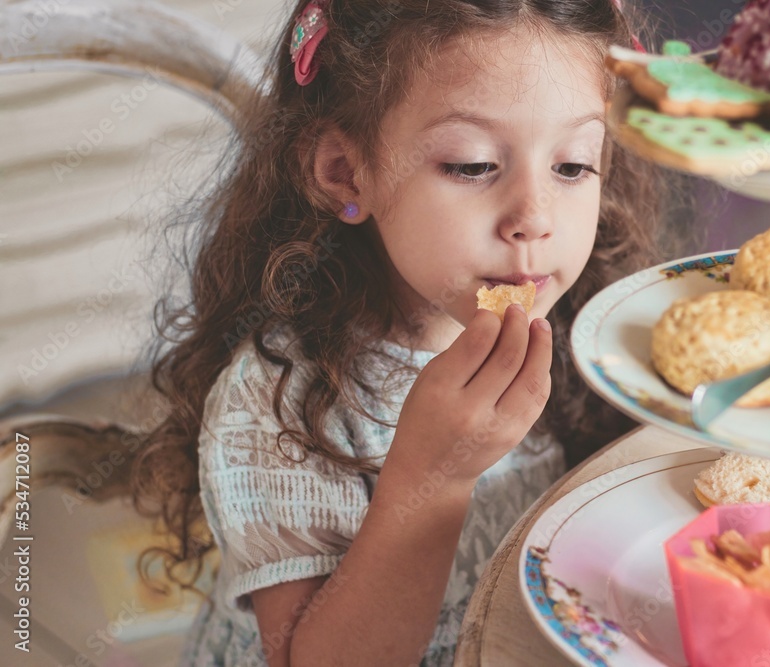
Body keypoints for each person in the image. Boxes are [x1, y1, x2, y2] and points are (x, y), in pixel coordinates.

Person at [129, 1, 684, 665]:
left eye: (572, 166)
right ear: (345, 172)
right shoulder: (278, 401)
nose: (534, 218)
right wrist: (434, 478)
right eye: (473, 166)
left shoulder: (585, 325)